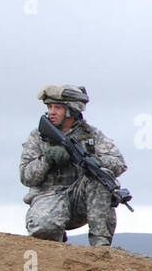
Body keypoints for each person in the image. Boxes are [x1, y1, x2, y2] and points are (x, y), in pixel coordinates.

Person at [20, 84, 127, 246]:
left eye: (58, 108)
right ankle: (55, 245)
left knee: (101, 176)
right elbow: (26, 177)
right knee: (44, 228)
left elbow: (119, 163)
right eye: (50, 106)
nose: (52, 112)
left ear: (71, 110)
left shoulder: (91, 135)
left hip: (80, 198)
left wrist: (96, 161)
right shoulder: (38, 136)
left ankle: (101, 248)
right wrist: (47, 159)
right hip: (48, 196)